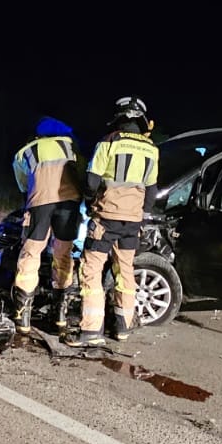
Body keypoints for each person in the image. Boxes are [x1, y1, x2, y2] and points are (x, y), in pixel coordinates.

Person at [66, 96, 159, 347]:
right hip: (132, 222)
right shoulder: (152, 149)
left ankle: (90, 330)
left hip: (106, 218)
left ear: (118, 118)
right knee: (125, 271)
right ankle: (122, 327)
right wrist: (140, 215)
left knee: (91, 270)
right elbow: (151, 191)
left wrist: (89, 200)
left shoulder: (108, 143)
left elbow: (92, 182)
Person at [9, 117, 84, 332]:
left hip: (39, 205)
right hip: (68, 205)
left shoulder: (27, 150)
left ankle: (22, 316)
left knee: (31, 254)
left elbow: (23, 184)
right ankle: (59, 314)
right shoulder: (70, 147)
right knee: (63, 255)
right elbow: (82, 173)